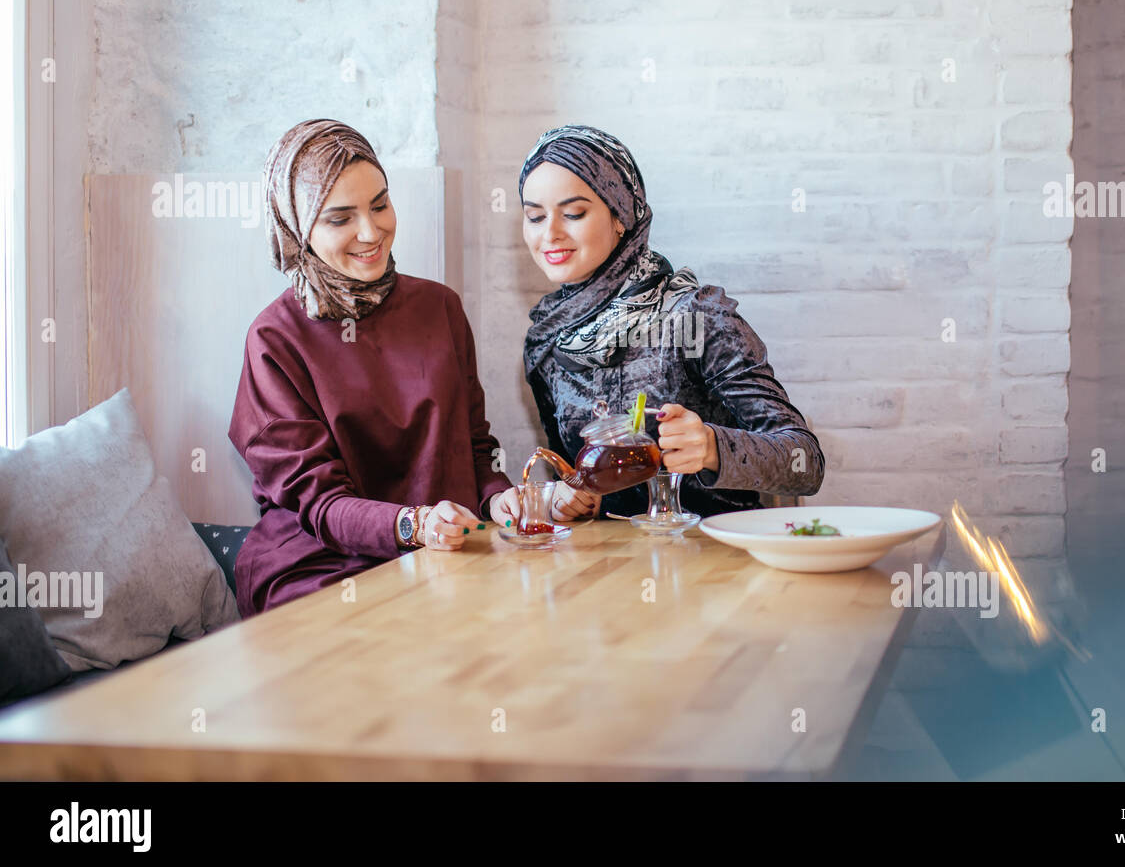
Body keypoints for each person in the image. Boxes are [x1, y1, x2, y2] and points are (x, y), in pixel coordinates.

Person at [229, 119, 519, 617]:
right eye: (340, 218)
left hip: (444, 555)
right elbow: (318, 503)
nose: (371, 232)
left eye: (380, 205)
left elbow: (475, 446)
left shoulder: (439, 308)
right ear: (298, 229)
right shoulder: (275, 340)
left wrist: (498, 497)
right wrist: (412, 524)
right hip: (322, 569)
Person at [518, 124, 825, 521]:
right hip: (605, 569)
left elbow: (806, 462)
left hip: (717, 561)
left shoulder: (694, 316)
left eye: (573, 213)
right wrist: (571, 494)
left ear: (620, 216)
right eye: (535, 217)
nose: (550, 234)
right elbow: (572, 474)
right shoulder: (547, 341)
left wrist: (713, 447)